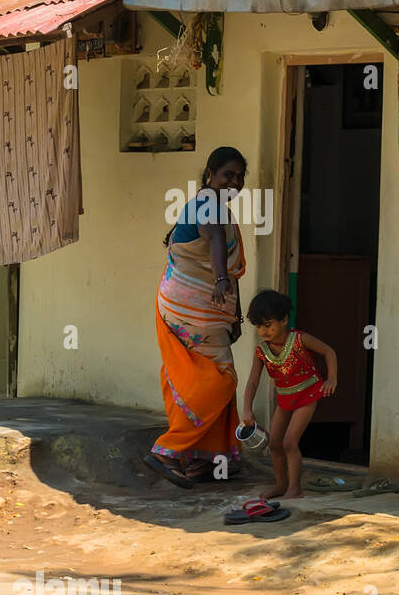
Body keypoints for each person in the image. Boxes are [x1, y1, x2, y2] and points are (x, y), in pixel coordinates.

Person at [143, 146, 249, 488]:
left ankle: (204, 460)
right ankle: (169, 450)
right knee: (220, 379)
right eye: (227, 175)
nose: (234, 181)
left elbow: (232, 270)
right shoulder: (208, 205)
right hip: (190, 309)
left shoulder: (215, 206)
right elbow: (215, 239)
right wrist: (219, 279)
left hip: (207, 309)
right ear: (210, 175)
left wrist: (234, 313)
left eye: (239, 176)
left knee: (189, 375)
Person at [241, 289, 338, 500]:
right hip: (285, 399)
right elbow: (252, 382)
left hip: (307, 395)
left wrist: (331, 379)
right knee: (274, 444)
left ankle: (295, 489)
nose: (264, 331)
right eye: (258, 326)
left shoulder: (301, 339)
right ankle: (280, 485)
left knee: (289, 442)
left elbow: (329, 352)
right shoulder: (261, 352)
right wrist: (247, 409)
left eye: (268, 325)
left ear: (284, 319)